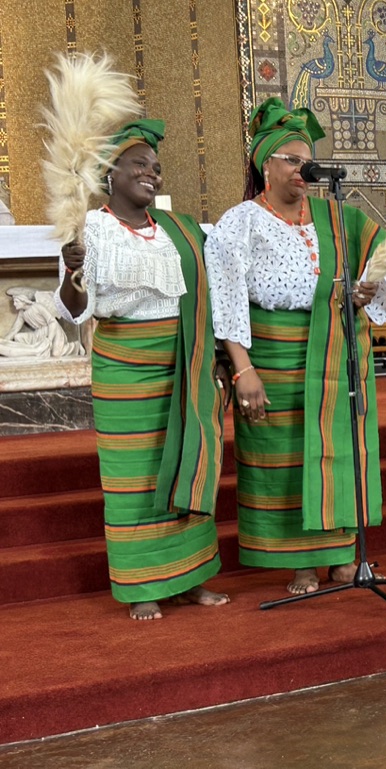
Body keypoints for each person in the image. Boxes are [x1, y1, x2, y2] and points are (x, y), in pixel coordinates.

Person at [205, 97, 386, 595]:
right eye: (290, 158)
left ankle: (340, 554)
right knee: (288, 457)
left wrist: (367, 288)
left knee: (337, 450)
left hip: (335, 352)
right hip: (274, 354)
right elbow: (226, 300)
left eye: (305, 158)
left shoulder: (339, 218)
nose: (301, 168)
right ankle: (300, 563)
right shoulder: (241, 223)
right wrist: (243, 369)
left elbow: (381, 263)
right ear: (263, 163)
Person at [54, 119, 229, 620]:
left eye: (156, 167)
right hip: (126, 370)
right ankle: (143, 584)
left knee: (185, 465)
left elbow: (206, 299)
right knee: (135, 478)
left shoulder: (177, 232)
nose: (151, 174)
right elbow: (72, 310)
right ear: (111, 172)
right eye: (139, 164)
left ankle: (191, 577)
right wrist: (72, 272)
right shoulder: (91, 230)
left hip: (181, 365)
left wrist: (215, 361)